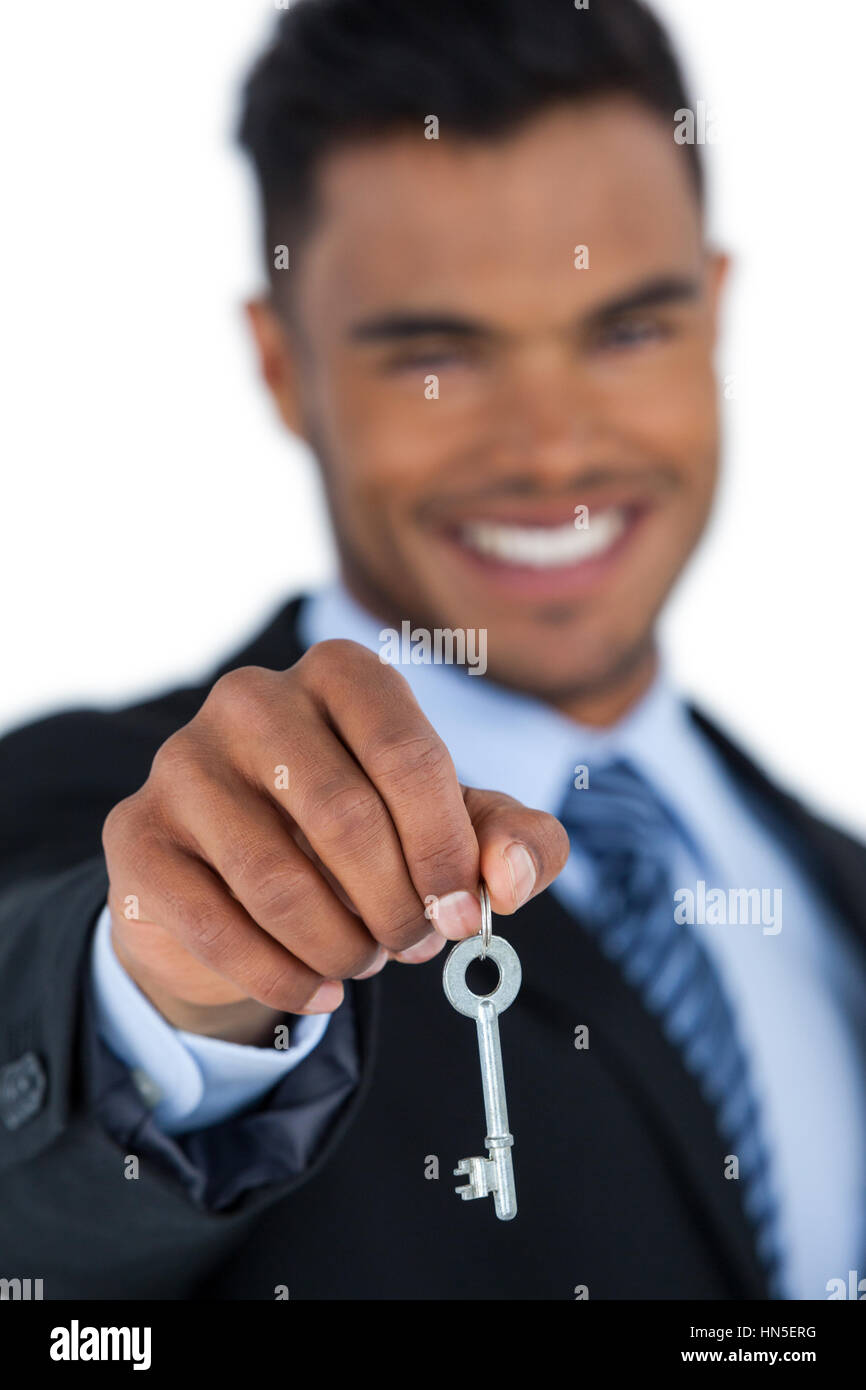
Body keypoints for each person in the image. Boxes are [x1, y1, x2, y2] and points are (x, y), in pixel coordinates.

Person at [1, 0, 864, 1302]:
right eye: (434, 358)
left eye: (627, 330)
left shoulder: (828, 881)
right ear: (283, 368)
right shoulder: (95, 809)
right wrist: (171, 997)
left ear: (716, 310)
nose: (553, 448)